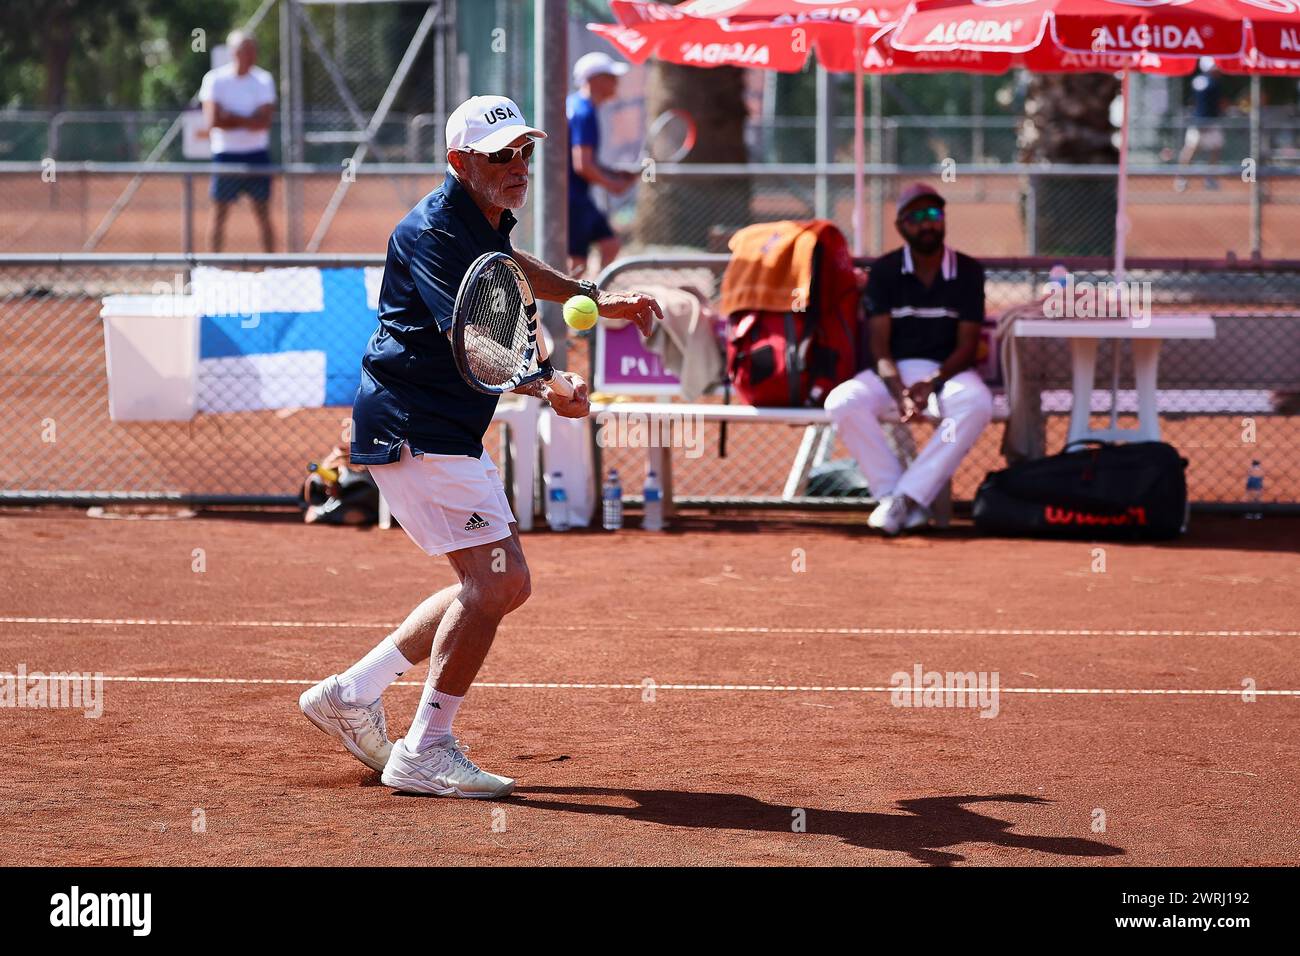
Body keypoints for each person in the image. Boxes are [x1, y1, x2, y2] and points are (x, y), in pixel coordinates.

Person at [298, 94, 662, 798]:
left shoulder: (479, 219)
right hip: (416, 426)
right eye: (501, 155)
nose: (518, 165)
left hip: (437, 428)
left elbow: (511, 267)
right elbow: (474, 342)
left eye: (525, 151)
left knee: (487, 583)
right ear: (460, 162)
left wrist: (593, 295)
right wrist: (551, 382)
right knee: (498, 582)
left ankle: (351, 693)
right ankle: (425, 749)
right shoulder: (433, 232)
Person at [825, 183, 994, 536]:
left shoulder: (967, 271)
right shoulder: (885, 272)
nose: (927, 224)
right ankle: (894, 495)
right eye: (916, 217)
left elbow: (966, 346)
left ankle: (904, 499)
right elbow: (879, 346)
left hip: (945, 374)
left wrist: (931, 382)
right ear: (901, 225)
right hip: (893, 373)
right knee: (842, 402)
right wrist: (900, 390)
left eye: (933, 215)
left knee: (977, 403)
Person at [199, 31, 276, 252]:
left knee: (262, 212)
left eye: (254, 50)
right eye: (246, 50)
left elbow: (263, 122)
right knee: (219, 212)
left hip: (257, 155)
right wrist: (249, 119)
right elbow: (213, 121)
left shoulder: (263, 79)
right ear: (234, 53)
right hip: (226, 155)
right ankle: (213, 268)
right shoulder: (215, 79)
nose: (252, 55)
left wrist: (229, 116)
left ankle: (270, 267)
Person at [567, 51, 637, 276]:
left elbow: (585, 161)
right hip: (572, 200)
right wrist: (613, 184)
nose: (616, 82)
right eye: (610, 76)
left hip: (576, 197)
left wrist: (613, 172)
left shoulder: (579, 106)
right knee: (576, 264)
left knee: (610, 245)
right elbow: (582, 165)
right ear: (594, 79)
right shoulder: (583, 112)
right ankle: (559, 310)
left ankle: (595, 297)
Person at [1175, 58, 1227, 193]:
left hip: (1200, 121)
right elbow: (1218, 104)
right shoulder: (1213, 83)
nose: (1218, 70)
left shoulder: (1198, 81)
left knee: (1197, 150)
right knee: (1198, 150)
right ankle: (1207, 179)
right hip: (1206, 121)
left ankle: (1183, 178)